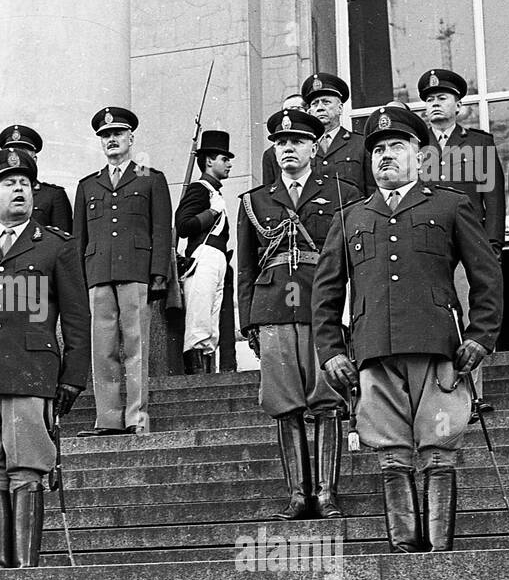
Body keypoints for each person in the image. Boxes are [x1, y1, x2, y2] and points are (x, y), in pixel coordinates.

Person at [313, 103, 503, 553]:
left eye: (397, 146)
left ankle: (438, 551)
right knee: (390, 452)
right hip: (373, 349)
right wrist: (330, 349)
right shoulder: (351, 217)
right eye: (377, 149)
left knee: (439, 447)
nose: (385, 155)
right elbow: (325, 292)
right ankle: (403, 548)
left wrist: (480, 334)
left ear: (420, 154)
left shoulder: (449, 205)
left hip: (438, 347)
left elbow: (487, 275)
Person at [0, 147, 90, 567]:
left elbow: (78, 319)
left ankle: (25, 570)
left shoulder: (56, 247)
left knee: (27, 465)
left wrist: (72, 377)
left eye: (25, 183)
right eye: (8, 184)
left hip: (30, 371)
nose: (18, 189)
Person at [237, 109, 363, 520]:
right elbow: (246, 268)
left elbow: (351, 262)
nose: (288, 148)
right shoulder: (255, 200)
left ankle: (326, 494)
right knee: (285, 402)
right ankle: (297, 495)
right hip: (273, 309)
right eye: (281, 142)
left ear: (313, 146)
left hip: (321, 307)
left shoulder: (342, 192)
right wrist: (247, 322)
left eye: (296, 141)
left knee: (326, 400)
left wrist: (350, 315)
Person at [73, 106, 171, 437]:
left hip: (135, 271)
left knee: (136, 346)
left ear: (131, 137)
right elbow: (80, 238)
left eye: (117, 133)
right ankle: (109, 419)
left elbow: (161, 229)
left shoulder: (150, 179)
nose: (111, 140)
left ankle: (137, 418)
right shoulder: (88, 186)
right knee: (103, 349)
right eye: (105, 136)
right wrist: (79, 280)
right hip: (98, 273)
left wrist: (159, 273)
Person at [418, 68, 505, 414]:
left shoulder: (476, 143)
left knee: (470, 316)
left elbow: (493, 197)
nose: (435, 105)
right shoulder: (416, 147)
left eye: (441, 98)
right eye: (429, 100)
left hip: (468, 244)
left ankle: (472, 394)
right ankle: (440, 395)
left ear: (458, 104)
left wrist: (493, 242)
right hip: (429, 244)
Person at [175, 129, 233, 373]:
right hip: (204, 255)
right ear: (209, 161)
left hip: (217, 258)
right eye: (224, 159)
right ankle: (197, 377)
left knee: (211, 324)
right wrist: (212, 213)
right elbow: (183, 224)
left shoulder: (215, 192)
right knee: (199, 321)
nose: (229, 164)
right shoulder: (200, 189)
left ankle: (208, 372)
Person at [0, 125, 72, 232]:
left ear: (34, 160)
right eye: (11, 153)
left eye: (23, 154)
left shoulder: (53, 195)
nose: (16, 158)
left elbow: (62, 242)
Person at [302, 72, 375, 198]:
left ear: (340, 108)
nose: (320, 108)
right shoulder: (302, 147)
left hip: (351, 215)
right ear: (309, 112)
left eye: (326, 102)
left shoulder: (360, 144)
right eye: (315, 104)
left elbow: (372, 191)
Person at [261, 92, 306, 187]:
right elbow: (268, 189)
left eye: (296, 109)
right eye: (286, 110)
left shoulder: (319, 145)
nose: (290, 114)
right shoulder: (271, 153)